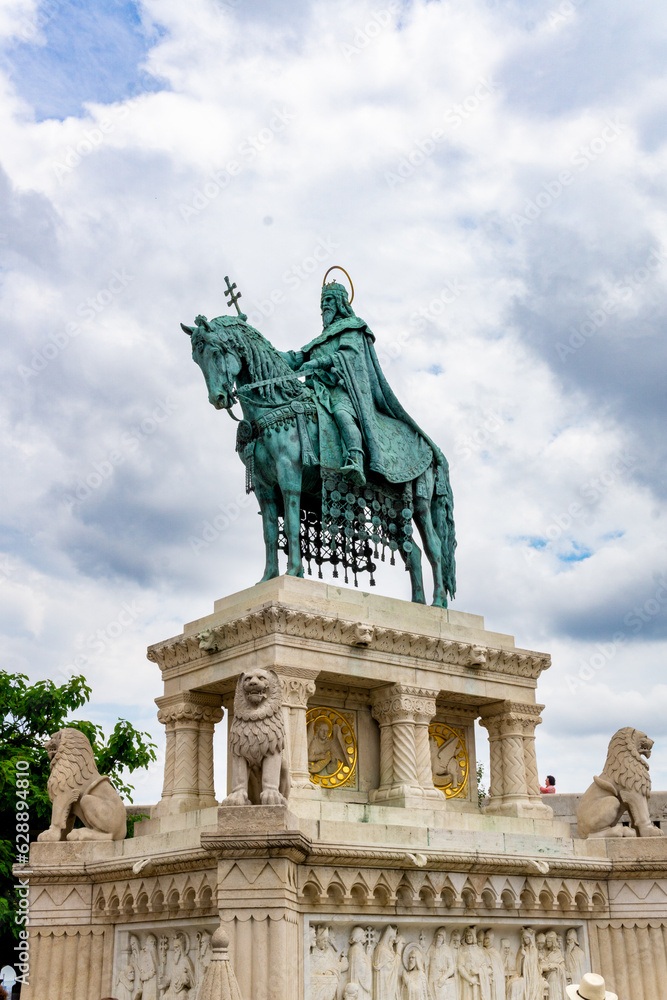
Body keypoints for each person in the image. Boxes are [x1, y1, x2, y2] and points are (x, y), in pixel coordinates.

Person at [284, 280, 448, 489]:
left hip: (342, 390)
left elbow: (348, 355)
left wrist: (319, 363)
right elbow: (295, 358)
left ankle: (355, 460)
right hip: (314, 390)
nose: (323, 306)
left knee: (342, 414)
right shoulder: (319, 339)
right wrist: (262, 348)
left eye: (328, 300)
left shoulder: (352, 327)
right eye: (321, 302)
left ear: (340, 302)